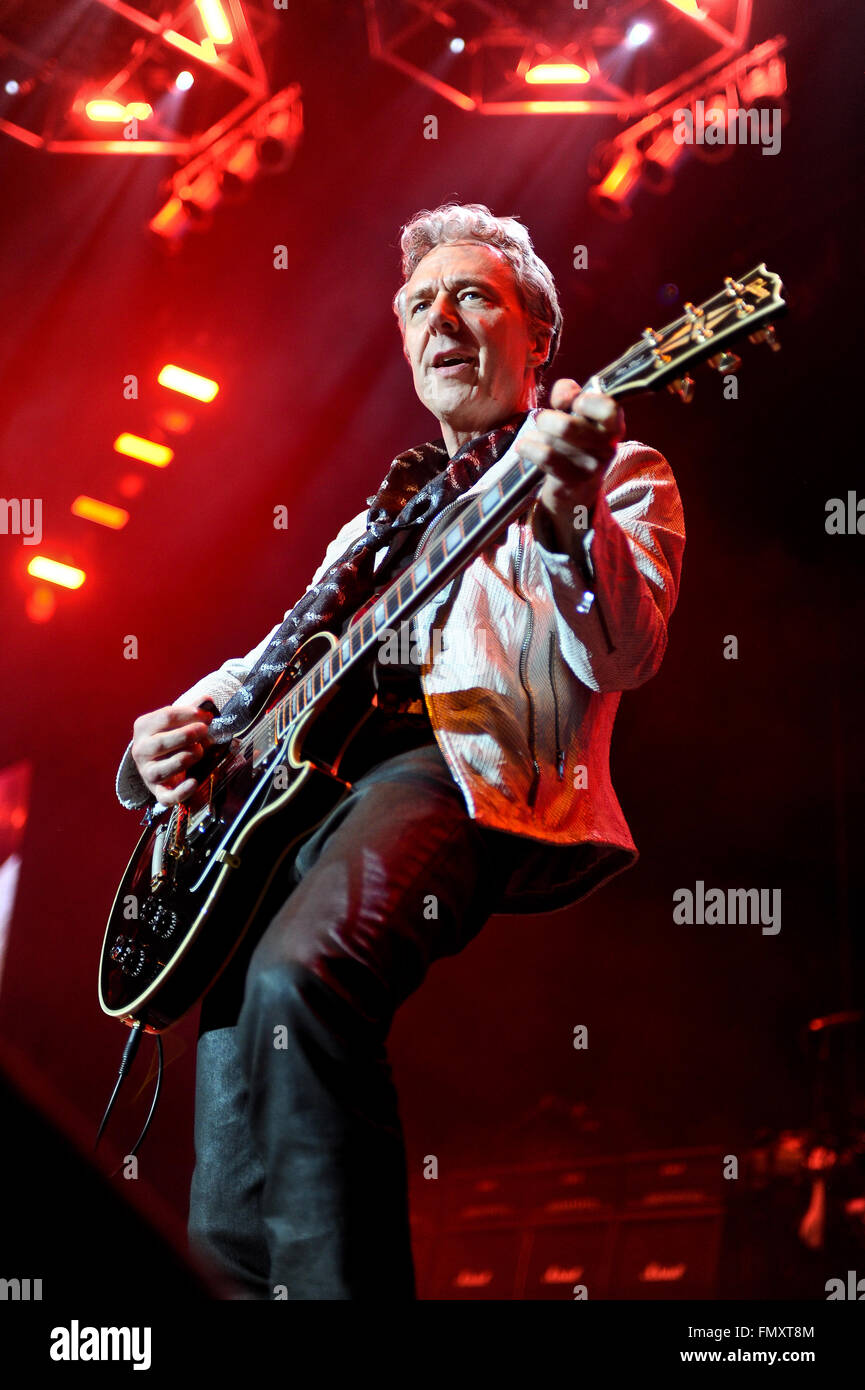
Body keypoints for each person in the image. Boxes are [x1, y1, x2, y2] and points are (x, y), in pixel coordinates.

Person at [115, 202, 685, 1299]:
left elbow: (626, 650)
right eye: (420, 301)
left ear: (539, 339)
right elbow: (273, 659)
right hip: (296, 795)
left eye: (475, 294)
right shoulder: (379, 514)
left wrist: (566, 505)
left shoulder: (617, 468)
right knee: (231, 1078)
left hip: (454, 768)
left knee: (300, 979)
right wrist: (159, 743)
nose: (443, 317)